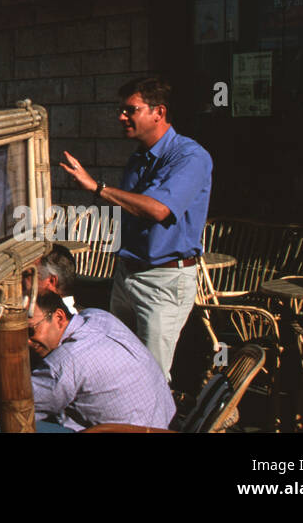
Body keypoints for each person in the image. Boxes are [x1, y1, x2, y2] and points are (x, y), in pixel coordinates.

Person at [58, 75, 212, 378]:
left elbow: (158, 209)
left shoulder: (190, 156)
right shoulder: (139, 157)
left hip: (163, 280)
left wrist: (97, 187)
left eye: (131, 110)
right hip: (128, 273)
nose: (122, 117)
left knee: (151, 376)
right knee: (119, 367)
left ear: (159, 112)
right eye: (122, 110)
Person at [0, 291, 175, 432]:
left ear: (59, 317)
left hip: (125, 429)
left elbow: (17, 404)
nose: (27, 342)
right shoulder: (98, 316)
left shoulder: (64, 363)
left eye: (30, 332)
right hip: (162, 423)